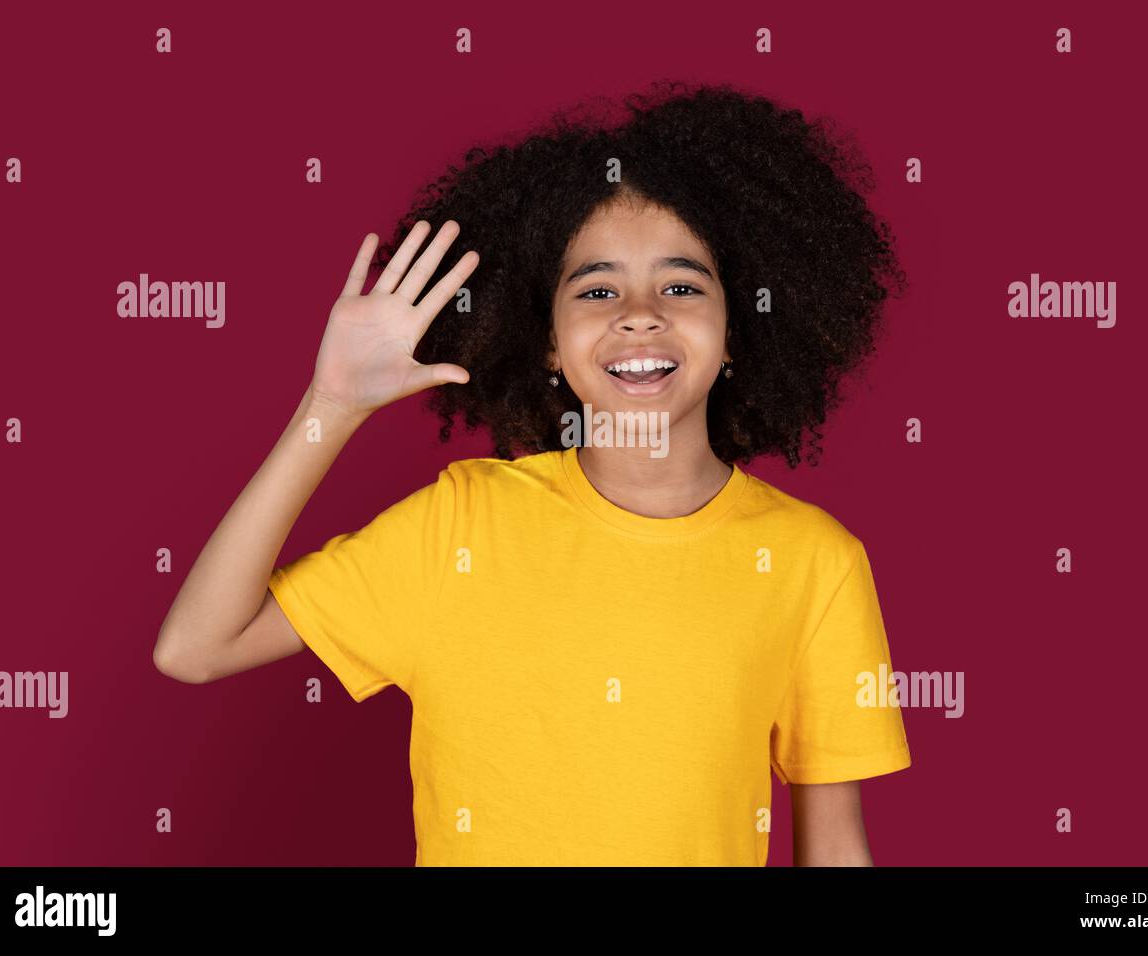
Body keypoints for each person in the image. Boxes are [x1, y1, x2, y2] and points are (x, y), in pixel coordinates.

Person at [153, 80, 912, 866]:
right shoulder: (459, 526)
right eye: (597, 288)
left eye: (682, 286)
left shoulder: (814, 561)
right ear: (548, 342)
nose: (640, 312)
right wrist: (332, 404)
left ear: (734, 335)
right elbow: (195, 648)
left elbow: (834, 850)